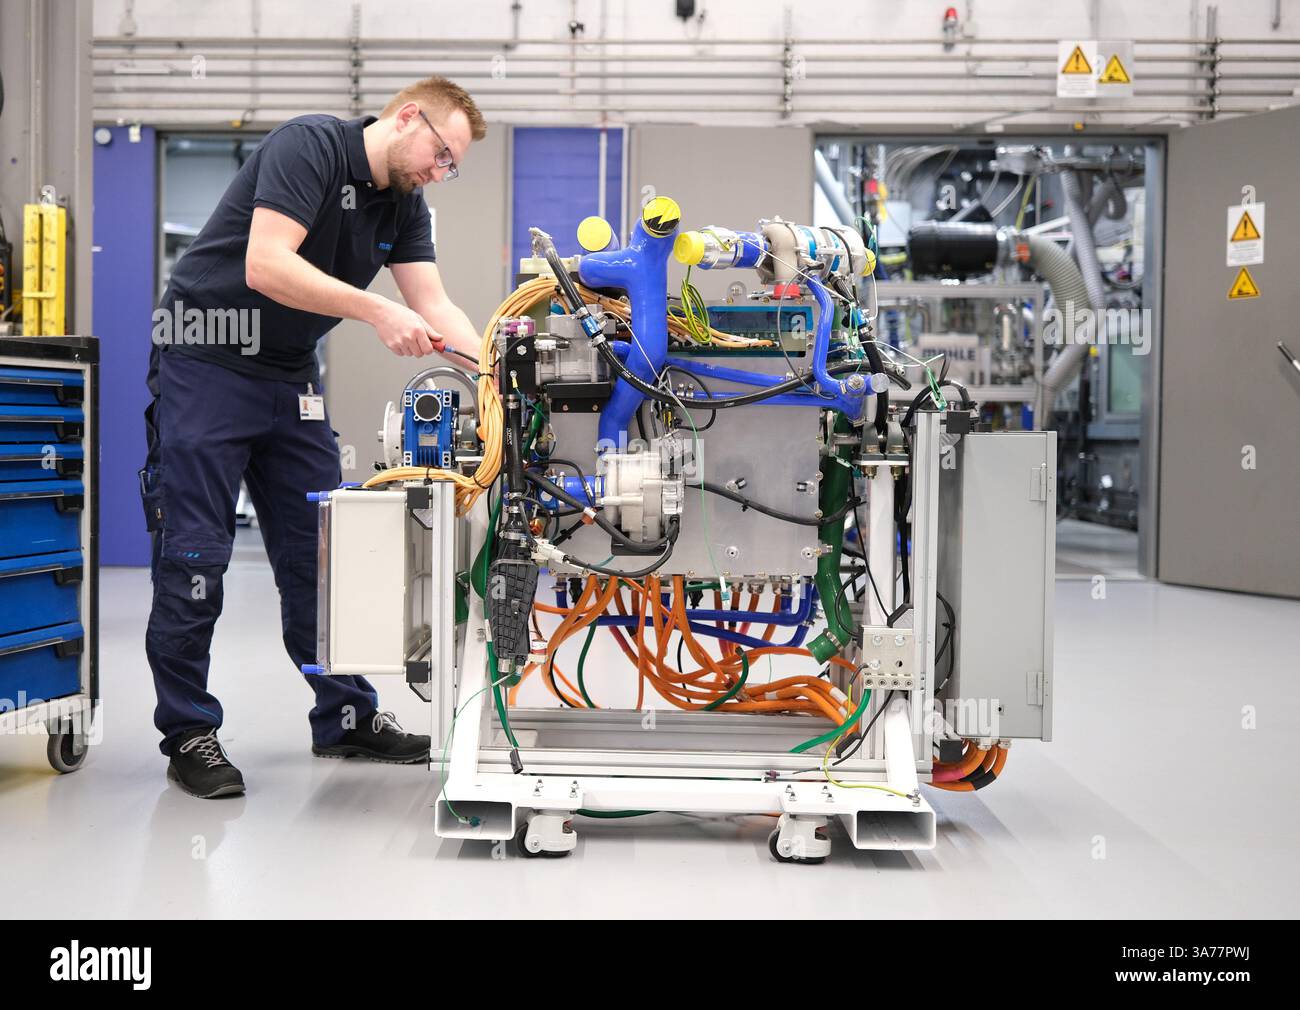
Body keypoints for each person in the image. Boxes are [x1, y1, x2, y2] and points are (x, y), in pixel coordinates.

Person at [140, 76, 486, 798]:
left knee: (325, 553)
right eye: (440, 154)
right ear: (408, 115)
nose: (438, 172)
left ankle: (346, 714)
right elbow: (266, 264)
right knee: (195, 553)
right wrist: (373, 312)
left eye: (451, 166)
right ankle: (189, 730)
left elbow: (433, 302)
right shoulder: (312, 147)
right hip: (205, 358)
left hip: (288, 374)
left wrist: (497, 376)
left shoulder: (404, 205)